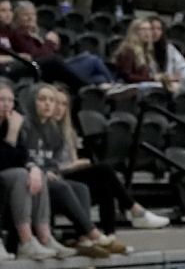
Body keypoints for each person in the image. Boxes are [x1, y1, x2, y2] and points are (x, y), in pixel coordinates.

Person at [20, 85, 128, 256]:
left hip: (46, 177)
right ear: (32, 102)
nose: (48, 105)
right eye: (42, 100)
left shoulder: (54, 130)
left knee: (81, 188)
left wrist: (50, 169)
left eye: (51, 100)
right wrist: (41, 170)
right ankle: (95, 234)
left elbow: (52, 161)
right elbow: (20, 155)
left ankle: (85, 239)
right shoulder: (24, 125)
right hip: (26, 178)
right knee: (64, 186)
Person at [42, 86, 166, 234]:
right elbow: (48, 165)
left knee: (105, 187)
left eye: (64, 105)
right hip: (56, 175)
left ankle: (110, 236)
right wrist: (73, 165)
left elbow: (73, 161)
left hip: (70, 175)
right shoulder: (44, 130)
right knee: (104, 169)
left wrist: (76, 165)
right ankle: (135, 210)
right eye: (57, 103)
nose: (59, 109)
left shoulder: (69, 132)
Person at [0, 82, 64, 260]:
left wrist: (34, 168)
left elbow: (21, 155)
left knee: (36, 174)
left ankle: (45, 238)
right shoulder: (12, 126)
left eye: (10, 100)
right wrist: (12, 133)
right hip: (5, 174)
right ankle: (26, 241)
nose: (6, 104)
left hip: (8, 176)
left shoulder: (8, 123)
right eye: (1, 100)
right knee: (21, 175)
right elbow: (4, 162)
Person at [10, 2, 116, 89]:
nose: (30, 18)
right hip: (46, 72)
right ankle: (112, 85)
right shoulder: (18, 35)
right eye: (25, 15)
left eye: (33, 14)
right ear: (16, 18)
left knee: (99, 78)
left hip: (60, 69)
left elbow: (54, 52)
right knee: (92, 59)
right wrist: (50, 43)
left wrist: (53, 45)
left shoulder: (40, 33)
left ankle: (107, 88)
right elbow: (39, 55)